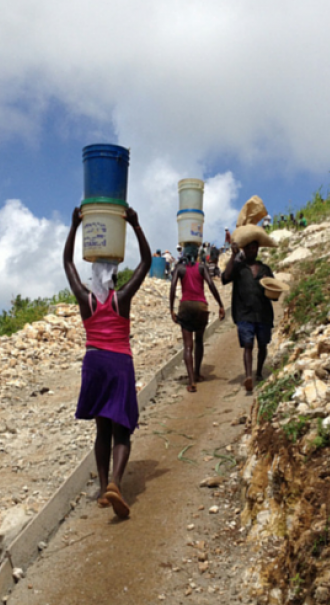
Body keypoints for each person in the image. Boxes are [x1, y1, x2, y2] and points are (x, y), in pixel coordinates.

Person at [62, 206, 151, 519]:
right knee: (121, 430)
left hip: (94, 363)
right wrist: (136, 226)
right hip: (119, 363)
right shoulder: (121, 298)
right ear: (113, 276)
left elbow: (67, 263)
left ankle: (102, 490)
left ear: (93, 276)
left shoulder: (84, 299)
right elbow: (146, 262)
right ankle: (116, 483)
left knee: (102, 429)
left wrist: (74, 227)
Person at [222, 225, 279, 393]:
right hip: (244, 314)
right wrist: (233, 256)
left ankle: (259, 371)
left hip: (263, 314)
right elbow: (225, 278)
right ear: (244, 250)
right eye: (247, 248)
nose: (251, 250)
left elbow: (275, 296)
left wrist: (269, 283)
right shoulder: (239, 268)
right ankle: (248, 376)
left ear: (258, 249)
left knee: (262, 345)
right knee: (247, 345)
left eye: (254, 247)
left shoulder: (265, 269)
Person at [169, 244, 225, 393]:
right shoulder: (201, 267)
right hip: (201, 307)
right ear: (197, 254)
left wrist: (171, 309)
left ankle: (191, 381)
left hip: (185, 307)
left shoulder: (180, 268)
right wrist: (220, 304)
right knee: (199, 341)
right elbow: (211, 284)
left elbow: (173, 287)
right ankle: (197, 373)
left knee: (188, 346)